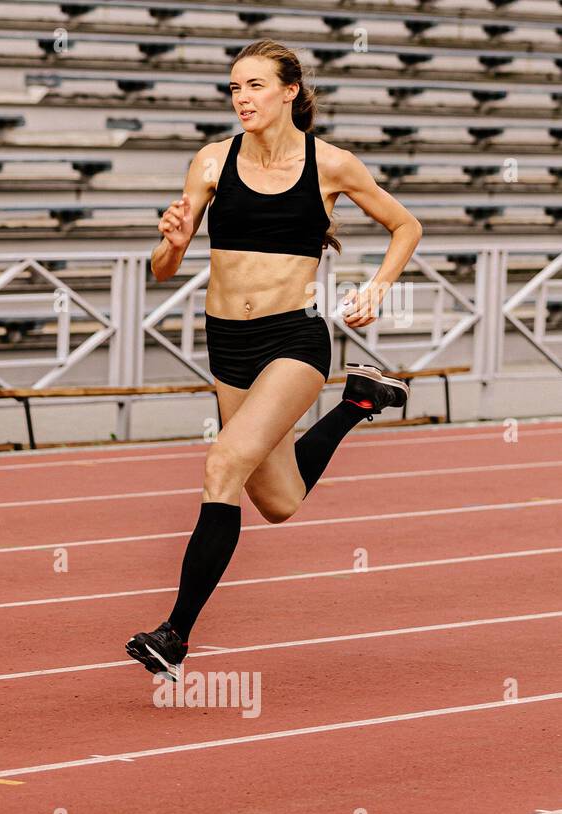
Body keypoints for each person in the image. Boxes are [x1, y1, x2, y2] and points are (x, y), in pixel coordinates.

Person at [125, 39, 424, 681]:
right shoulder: (210, 163)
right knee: (280, 501)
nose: (242, 99)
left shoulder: (332, 165)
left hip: (295, 338)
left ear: (290, 91)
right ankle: (358, 403)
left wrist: (374, 289)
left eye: (255, 86)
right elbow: (163, 267)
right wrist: (171, 244)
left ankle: (174, 635)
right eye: (234, 88)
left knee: (223, 461)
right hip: (227, 341)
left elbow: (406, 226)